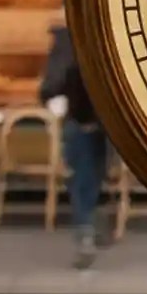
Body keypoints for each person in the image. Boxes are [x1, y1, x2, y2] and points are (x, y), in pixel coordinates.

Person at [39, 13, 110, 269]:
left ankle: (89, 227)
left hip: (87, 120)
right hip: (90, 120)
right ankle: (86, 231)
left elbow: (51, 85)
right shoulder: (76, 41)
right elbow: (53, 84)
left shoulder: (67, 42)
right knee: (86, 176)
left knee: (90, 175)